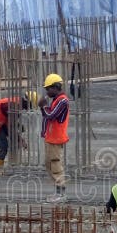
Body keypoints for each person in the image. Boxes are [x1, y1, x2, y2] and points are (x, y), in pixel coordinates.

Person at [0, 92, 38, 169]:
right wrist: (20, 140)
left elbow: (12, 123)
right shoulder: (15, 106)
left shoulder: (18, 103)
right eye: (31, 106)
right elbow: (11, 128)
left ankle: (12, 160)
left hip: (0, 117)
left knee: (19, 130)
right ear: (28, 103)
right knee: (3, 146)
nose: (30, 109)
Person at [37, 73, 70, 203]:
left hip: (56, 138)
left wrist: (43, 106)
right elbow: (47, 115)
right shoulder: (56, 100)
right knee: (49, 165)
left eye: (48, 88)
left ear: (56, 87)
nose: (47, 91)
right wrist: (44, 131)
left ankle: (61, 194)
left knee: (56, 165)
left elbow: (50, 115)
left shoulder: (62, 101)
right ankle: (58, 191)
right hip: (51, 138)